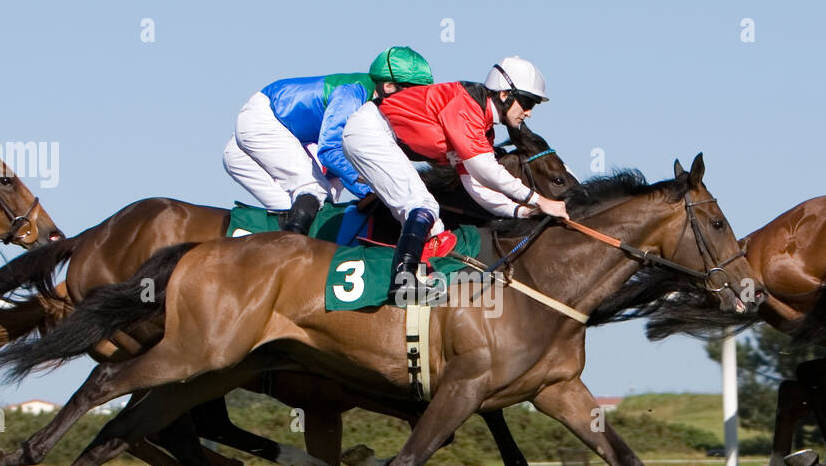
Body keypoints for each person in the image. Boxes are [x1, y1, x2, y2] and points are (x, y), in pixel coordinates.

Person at [341, 55, 570, 299]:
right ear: (505, 95)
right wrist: (539, 200)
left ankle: (416, 284)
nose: (528, 113)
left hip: (380, 136)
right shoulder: (467, 106)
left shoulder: (483, 127)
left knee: (436, 229)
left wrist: (522, 212)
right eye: (527, 103)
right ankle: (402, 281)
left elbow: (475, 186)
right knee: (422, 205)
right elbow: (486, 170)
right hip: (369, 131)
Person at [222, 46, 434, 233]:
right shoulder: (353, 94)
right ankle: (291, 250)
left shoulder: (377, 107)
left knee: (322, 204)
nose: (416, 103)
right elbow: (331, 150)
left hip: (273, 141)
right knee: (313, 189)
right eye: (414, 93)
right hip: (261, 122)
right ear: (389, 87)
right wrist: (373, 186)